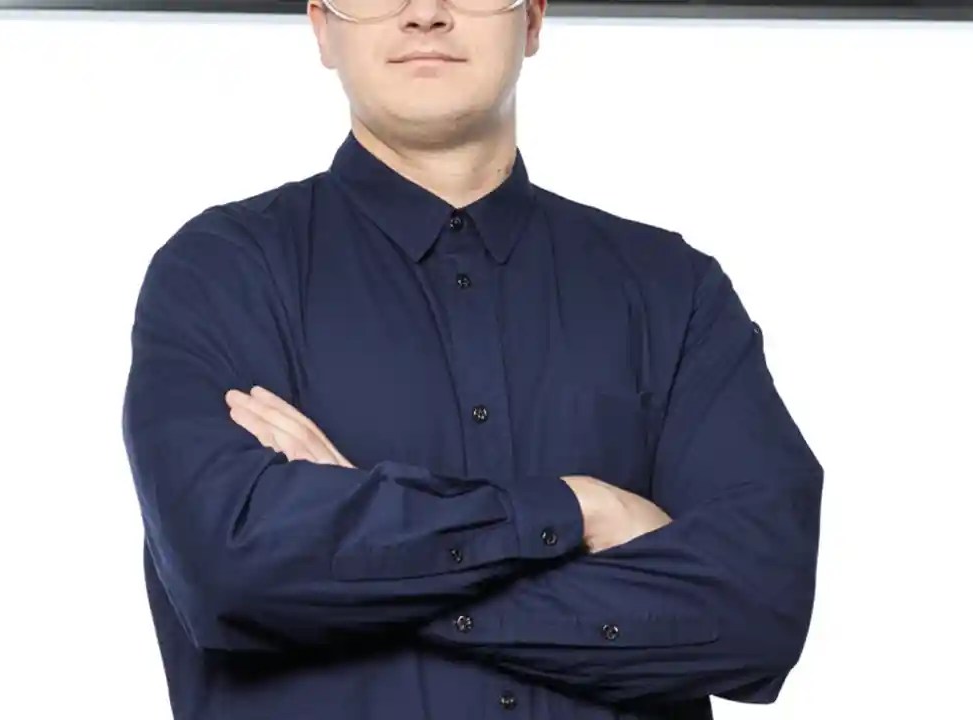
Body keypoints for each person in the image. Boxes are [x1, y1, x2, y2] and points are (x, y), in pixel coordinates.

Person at [120, 0, 824, 718]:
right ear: (321, 26)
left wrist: (367, 574)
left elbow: (755, 610)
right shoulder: (220, 275)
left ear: (534, 20)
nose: (425, 12)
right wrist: (578, 509)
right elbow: (230, 571)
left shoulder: (674, 291)